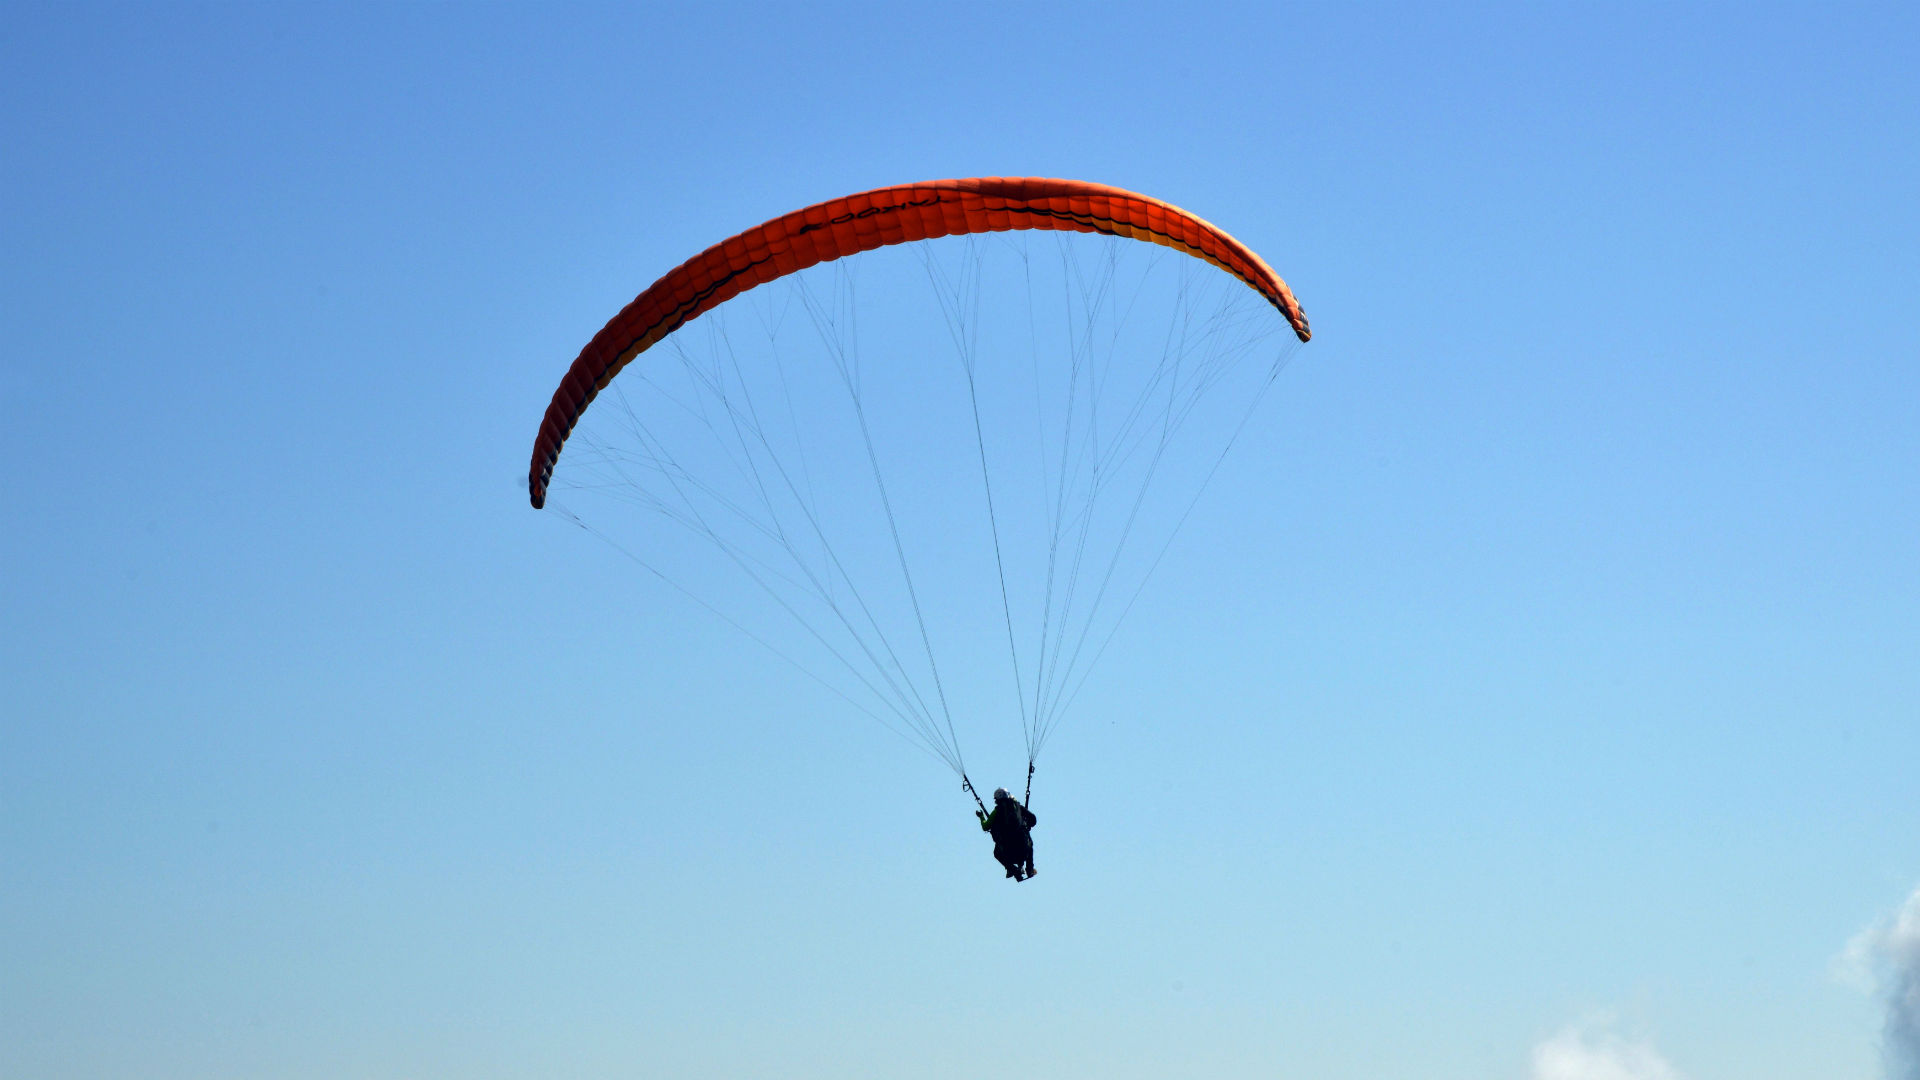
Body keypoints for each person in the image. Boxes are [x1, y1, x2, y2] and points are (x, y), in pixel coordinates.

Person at [977, 787, 1038, 881]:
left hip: (1007, 851)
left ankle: (1012, 870)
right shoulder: (1018, 807)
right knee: (1030, 842)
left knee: (996, 853)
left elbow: (985, 826)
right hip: (1023, 850)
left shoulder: (997, 811)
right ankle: (1029, 869)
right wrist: (1027, 824)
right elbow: (1033, 819)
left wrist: (981, 817)